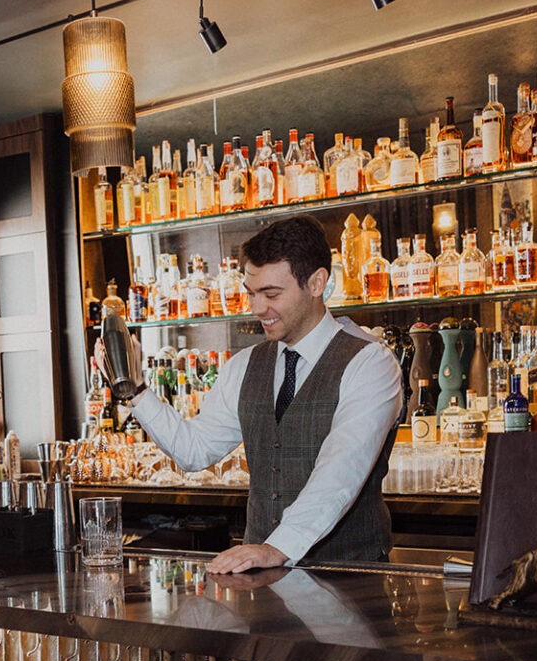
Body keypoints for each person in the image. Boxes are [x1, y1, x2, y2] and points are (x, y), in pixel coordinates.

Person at [109, 215, 402, 573]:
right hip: (265, 581)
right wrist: (136, 391)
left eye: (272, 294)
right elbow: (194, 451)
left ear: (317, 283)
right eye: (251, 293)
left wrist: (276, 547)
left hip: (351, 577)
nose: (257, 308)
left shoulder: (369, 362)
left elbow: (341, 470)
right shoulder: (245, 365)